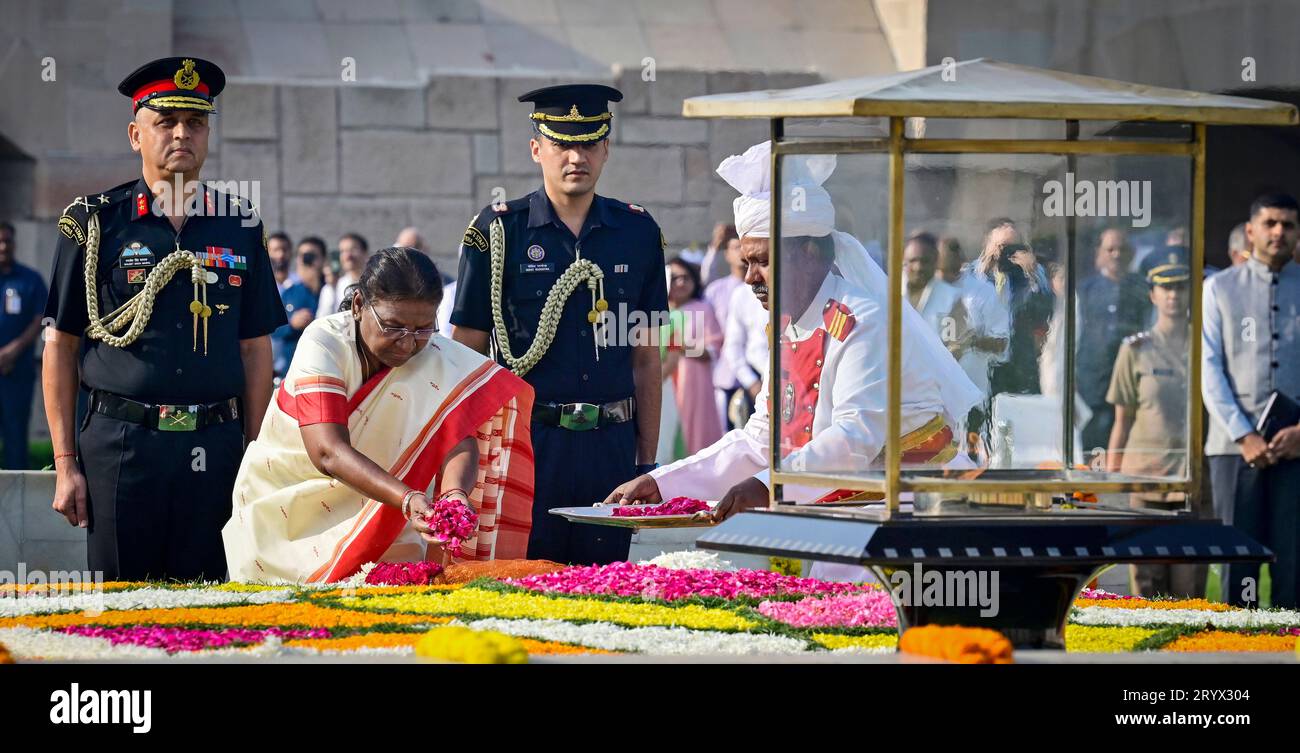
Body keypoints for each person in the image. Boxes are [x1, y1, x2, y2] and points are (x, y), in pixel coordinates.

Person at [604, 141, 980, 523]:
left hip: (920, 502)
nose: (750, 278)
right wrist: (663, 482)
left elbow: (853, 439)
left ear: (810, 253)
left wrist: (768, 485)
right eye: (747, 262)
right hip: (848, 497)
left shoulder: (861, 321)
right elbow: (760, 437)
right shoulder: (786, 327)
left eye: (763, 262)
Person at [42, 57, 286, 580]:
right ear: (136, 135)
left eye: (195, 123)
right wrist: (65, 465)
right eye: (166, 122)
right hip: (123, 445)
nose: (182, 134)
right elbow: (61, 345)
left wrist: (255, 449)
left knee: (212, 607)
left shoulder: (240, 224)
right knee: (121, 608)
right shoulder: (93, 222)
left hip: (215, 447)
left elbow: (255, 347)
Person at [450, 84, 667, 565]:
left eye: (589, 143)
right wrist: (460, 464)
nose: (576, 157)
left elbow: (647, 356)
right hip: (526, 442)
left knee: (605, 586)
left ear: (606, 149)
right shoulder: (497, 231)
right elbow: (464, 351)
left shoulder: (638, 233)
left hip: (610, 445)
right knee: (523, 580)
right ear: (536, 149)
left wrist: (645, 462)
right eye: (561, 144)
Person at [223, 248, 534, 582]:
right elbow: (327, 451)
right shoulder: (324, 341)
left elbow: (457, 436)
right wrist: (408, 497)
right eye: (393, 327)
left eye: (422, 329)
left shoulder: (433, 353)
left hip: (385, 522)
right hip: (287, 513)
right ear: (359, 306)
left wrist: (455, 493)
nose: (407, 344)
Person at [1203, 193, 1300, 608]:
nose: (1279, 232)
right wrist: (1243, 435)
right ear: (1251, 231)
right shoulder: (1219, 288)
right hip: (1233, 447)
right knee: (1238, 556)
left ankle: (1289, 645)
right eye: (1270, 223)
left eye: (1288, 225)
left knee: (1292, 558)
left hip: (1295, 447)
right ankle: (1238, 650)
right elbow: (1210, 369)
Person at [1106, 254, 1207, 597]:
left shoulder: (1207, 346)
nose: (1173, 296)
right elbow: (1122, 420)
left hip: (1191, 478)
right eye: (1165, 288)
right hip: (1147, 476)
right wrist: (1113, 475)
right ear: (1152, 294)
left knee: (1189, 584)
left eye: (1180, 288)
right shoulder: (1136, 349)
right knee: (1146, 581)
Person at [1077, 227, 1151, 455]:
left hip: (1132, 382)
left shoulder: (1143, 289)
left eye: (1122, 249)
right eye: (1110, 249)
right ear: (1099, 252)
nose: (1117, 255)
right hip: (1093, 384)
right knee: (1093, 450)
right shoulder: (1084, 290)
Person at [976, 219, 1054, 396]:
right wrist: (984, 271)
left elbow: (1047, 310)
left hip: (1019, 362)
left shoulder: (1030, 275)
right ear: (987, 245)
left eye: (1014, 247)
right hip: (983, 361)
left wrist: (1033, 274)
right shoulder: (973, 275)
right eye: (1002, 246)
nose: (1006, 253)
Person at [0, 222, 48, 469]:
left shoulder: (30, 280)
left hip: (16, 373)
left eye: (7, 241)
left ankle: (15, 504)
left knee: (15, 437)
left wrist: (11, 352)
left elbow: (41, 318)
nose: (3, 246)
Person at [663, 257, 723, 456]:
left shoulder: (702, 308)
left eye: (686, 277)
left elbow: (713, 350)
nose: (680, 282)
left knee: (695, 444)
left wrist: (678, 346)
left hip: (693, 387)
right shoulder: (655, 312)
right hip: (662, 386)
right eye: (674, 278)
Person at [938, 235, 1009, 402]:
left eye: (950, 269)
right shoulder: (922, 293)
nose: (945, 275)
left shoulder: (982, 291)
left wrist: (972, 342)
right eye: (940, 269)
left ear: (960, 261)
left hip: (971, 395)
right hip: (931, 398)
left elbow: (1002, 343)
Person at [706, 235, 747, 429]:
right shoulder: (716, 290)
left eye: (745, 246)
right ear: (727, 254)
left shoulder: (763, 287)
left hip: (759, 373)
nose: (741, 251)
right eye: (736, 247)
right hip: (727, 374)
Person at [271, 239, 324, 380]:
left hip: (322, 364)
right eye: (302, 255)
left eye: (311, 256)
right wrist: (291, 323)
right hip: (291, 367)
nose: (306, 260)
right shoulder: (291, 291)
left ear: (323, 259)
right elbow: (274, 328)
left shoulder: (330, 287)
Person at [903, 231, 965, 341]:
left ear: (936, 261)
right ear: (903, 261)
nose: (918, 267)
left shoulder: (953, 299)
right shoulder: (886, 293)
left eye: (925, 261)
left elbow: (956, 346)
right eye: (913, 260)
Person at [316, 232, 369, 318]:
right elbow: (323, 319)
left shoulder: (376, 283)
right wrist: (332, 288)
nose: (348, 256)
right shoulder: (332, 286)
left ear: (365, 253)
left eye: (353, 249)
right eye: (343, 251)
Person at [698, 222, 738, 287]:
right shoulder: (717, 288)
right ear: (727, 254)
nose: (741, 252)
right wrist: (715, 245)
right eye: (737, 248)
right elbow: (706, 277)